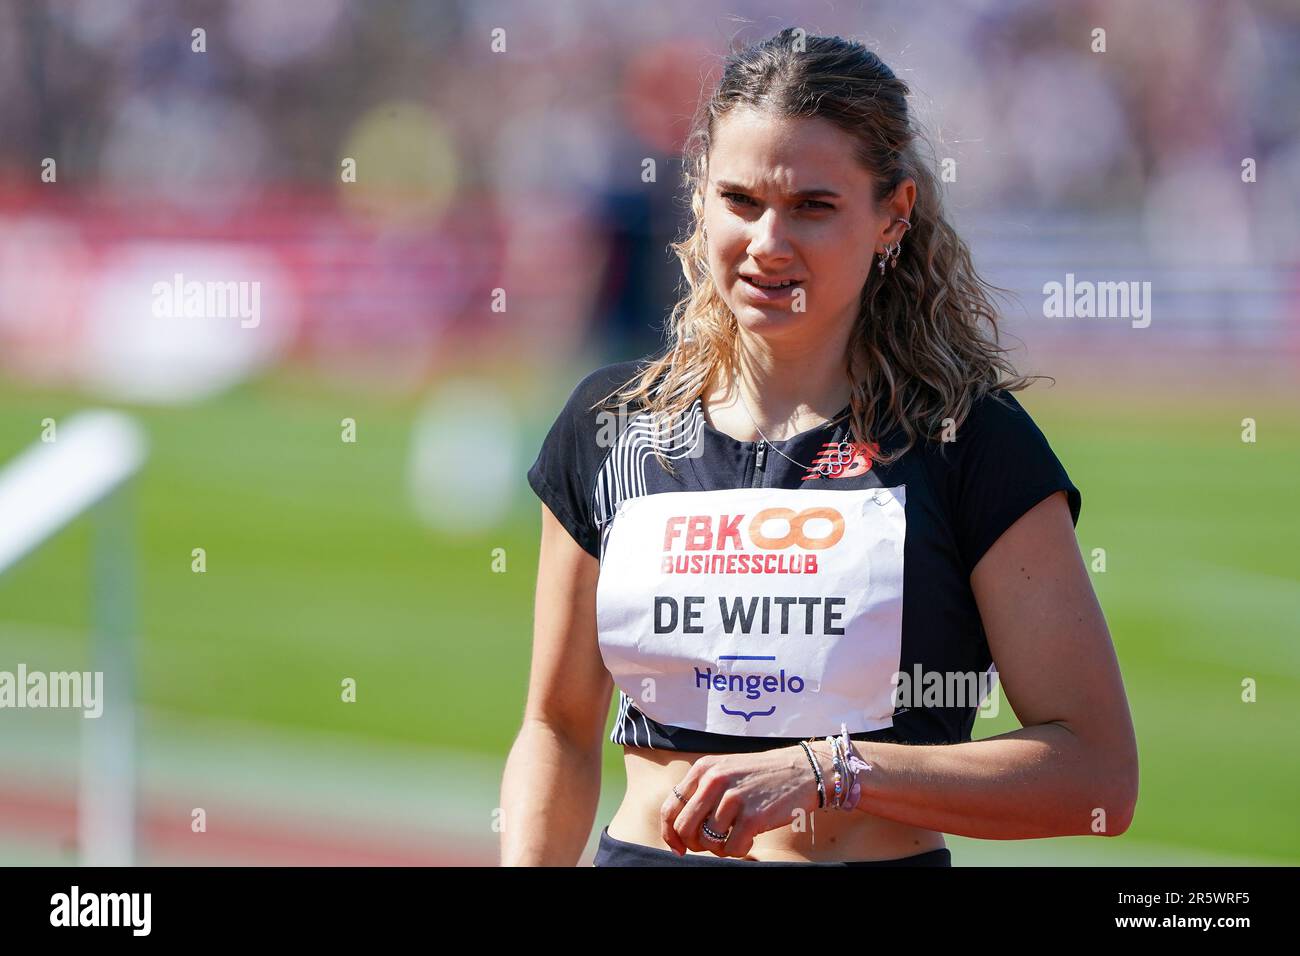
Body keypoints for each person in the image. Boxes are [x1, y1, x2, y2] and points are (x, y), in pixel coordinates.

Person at [499, 29, 1137, 867]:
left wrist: (833, 771)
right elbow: (556, 726)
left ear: (892, 215)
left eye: (813, 206)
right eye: (740, 200)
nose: (768, 241)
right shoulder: (611, 423)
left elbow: (1096, 776)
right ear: (698, 198)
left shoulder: (968, 441)